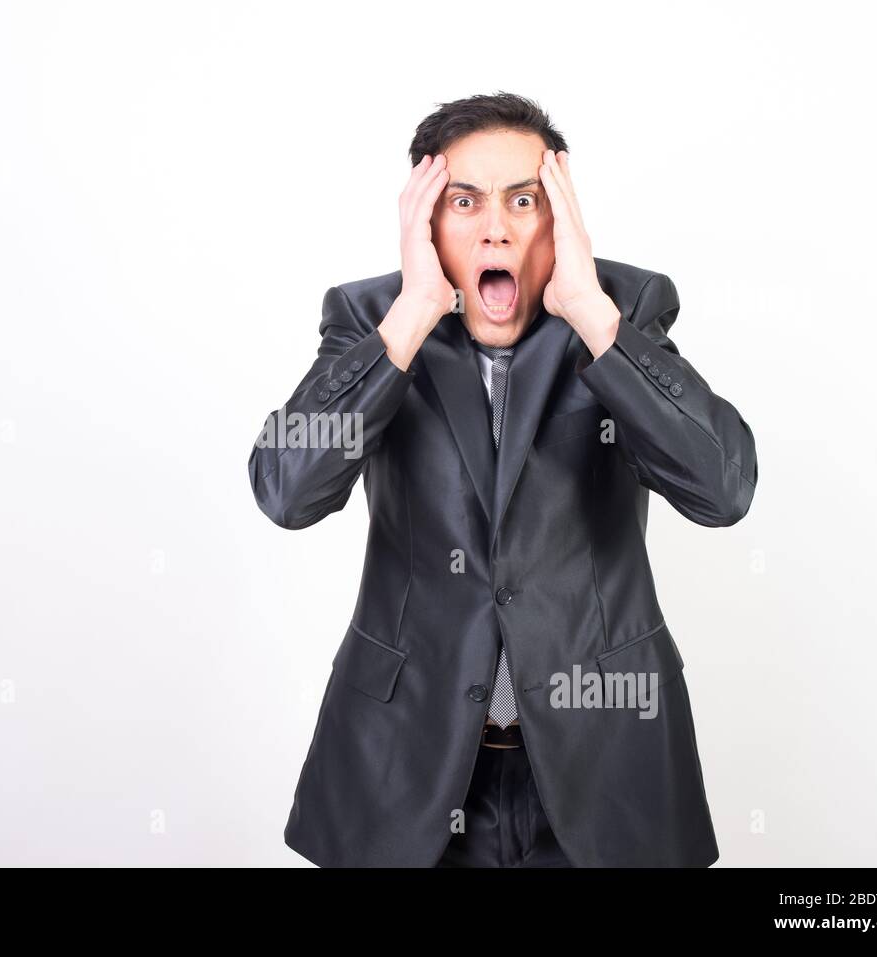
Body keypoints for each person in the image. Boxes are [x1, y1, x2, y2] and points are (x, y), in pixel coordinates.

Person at [247, 92, 757, 867]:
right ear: (427, 221)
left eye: (525, 200)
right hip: (410, 772)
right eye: (464, 201)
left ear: (561, 215)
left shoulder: (622, 311)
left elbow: (723, 488)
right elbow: (286, 489)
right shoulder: (371, 320)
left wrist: (591, 312)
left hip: (602, 766)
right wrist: (413, 315)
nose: (497, 227)